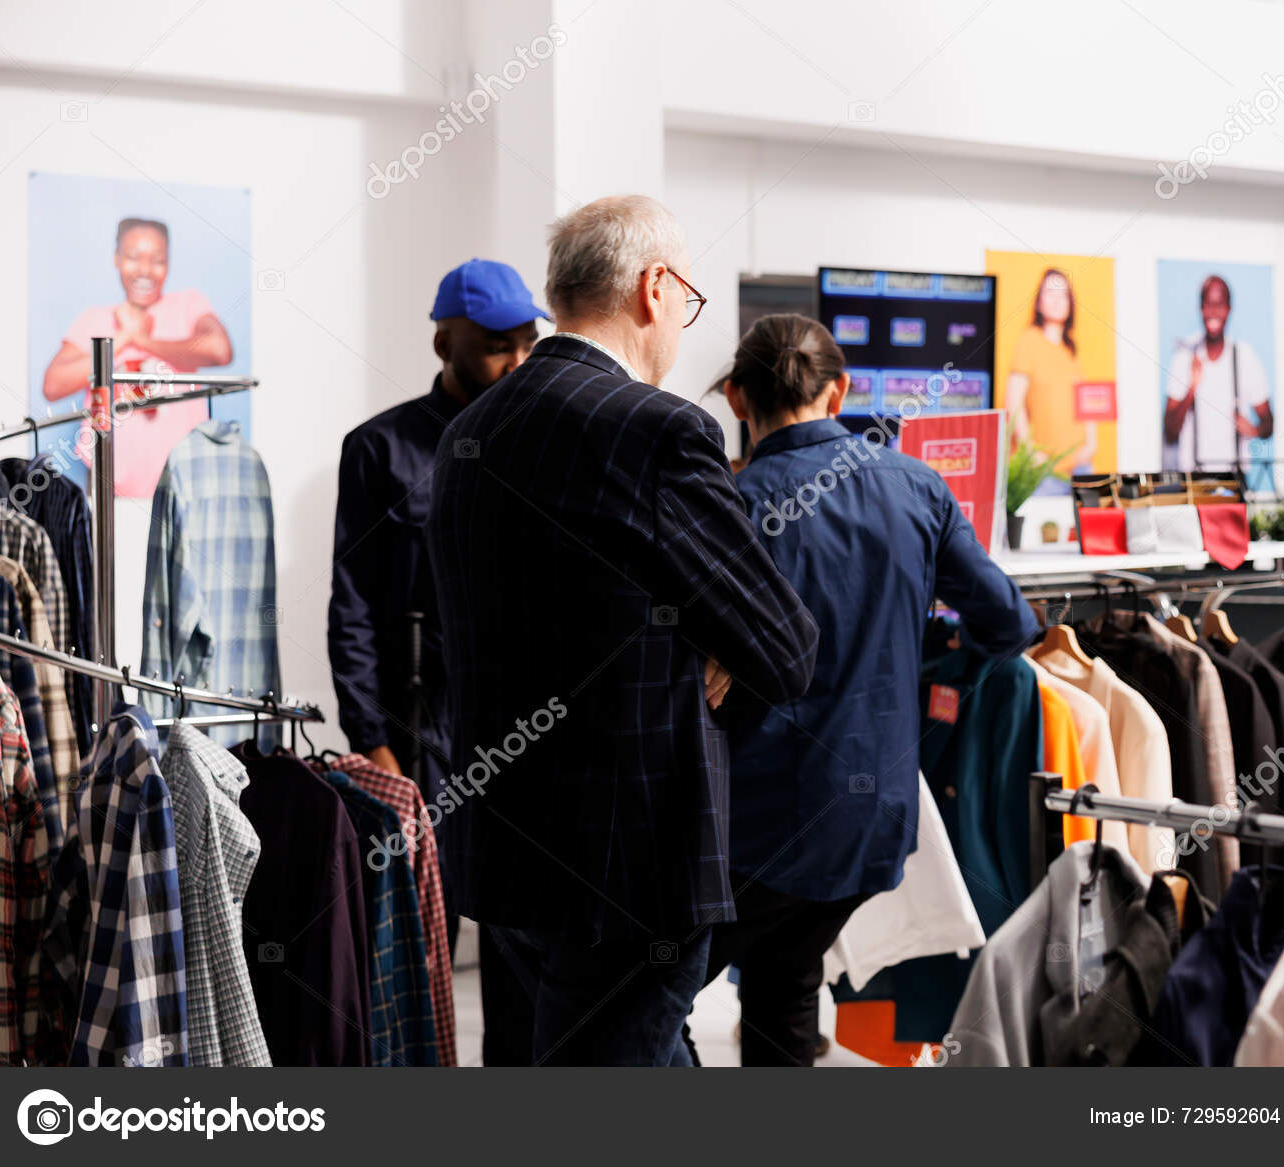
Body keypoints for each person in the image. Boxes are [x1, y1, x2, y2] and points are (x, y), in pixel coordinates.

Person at [426, 195, 819, 1066]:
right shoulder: (654, 428)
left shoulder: (467, 434)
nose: (685, 321)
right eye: (689, 298)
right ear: (654, 287)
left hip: (511, 857)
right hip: (632, 872)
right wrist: (711, 649)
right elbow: (786, 648)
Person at [701, 313, 1038, 1066]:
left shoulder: (730, 505)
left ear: (735, 397)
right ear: (841, 390)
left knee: (649, 999)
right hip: (871, 823)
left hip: (756, 828)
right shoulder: (917, 486)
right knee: (785, 983)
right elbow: (1009, 623)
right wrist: (924, 660)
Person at [328, 258, 544, 1064]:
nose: (517, 362)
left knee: (524, 960)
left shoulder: (540, 446)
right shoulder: (379, 450)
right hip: (423, 742)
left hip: (527, 737)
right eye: (496, 347)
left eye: (527, 343)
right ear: (443, 340)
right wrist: (375, 740)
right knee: (423, 959)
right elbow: (351, 604)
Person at [42, 217, 236, 498]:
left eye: (157, 260)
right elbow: (52, 385)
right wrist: (121, 339)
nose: (145, 270)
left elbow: (220, 350)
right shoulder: (95, 319)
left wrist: (142, 339)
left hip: (183, 482)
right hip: (108, 483)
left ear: (168, 264)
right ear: (117, 259)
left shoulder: (187, 305)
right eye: (134, 257)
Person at [1162, 274, 1273, 472]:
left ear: (1229, 309)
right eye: (1208, 304)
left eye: (1220, 304)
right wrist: (1192, 388)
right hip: (1194, 477)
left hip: (1234, 478)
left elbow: (1268, 424)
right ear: (1201, 308)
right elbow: (1170, 432)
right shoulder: (1185, 356)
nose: (1214, 311)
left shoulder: (1244, 356)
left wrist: (1255, 430)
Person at [1007, 268, 1090, 474]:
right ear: (1039, 301)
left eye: (1062, 295)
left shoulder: (1071, 350)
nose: (1056, 300)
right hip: (1044, 469)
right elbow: (1013, 401)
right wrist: (1030, 450)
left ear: (1070, 303)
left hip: (1079, 466)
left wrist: (1091, 446)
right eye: (1050, 293)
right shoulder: (1030, 340)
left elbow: (1087, 403)